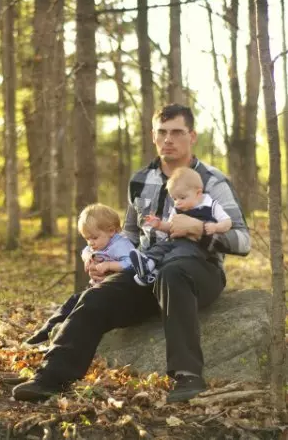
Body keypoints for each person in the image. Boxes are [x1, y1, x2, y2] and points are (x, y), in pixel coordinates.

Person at [13, 103, 250, 404]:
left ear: (192, 136)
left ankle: (188, 375)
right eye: (162, 132)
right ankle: (50, 379)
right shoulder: (141, 180)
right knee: (95, 297)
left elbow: (243, 240)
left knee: (172, 273)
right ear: (153, 136)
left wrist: (201, 228)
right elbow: (130, 235)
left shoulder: (213, 181)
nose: (169, 139)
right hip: (147, 270)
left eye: (177, 132)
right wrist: (108, 261)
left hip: (198, 271)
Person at [25, 203, 135, 346]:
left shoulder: (121, 245)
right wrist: (87, 257)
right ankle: (46, 331)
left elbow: (132, 263)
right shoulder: (99, 242)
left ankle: (62, 339)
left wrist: (109, 265)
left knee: (80, 307)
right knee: (71, 303)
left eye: (94, 238)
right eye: (87, 238)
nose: (91, 242)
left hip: (113, 293)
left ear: (112, 231)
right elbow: (85, 251)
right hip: (95, 288)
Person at [130, 166, 232, 285]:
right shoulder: (178, 209)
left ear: (198, 193)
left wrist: (215, 227)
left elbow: (227, 222)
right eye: (174, 198)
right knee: (160, 246)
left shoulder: (211, 205)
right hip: (174, 240)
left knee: (177, 254)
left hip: (196, 246)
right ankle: (147, 264)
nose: (178, 202)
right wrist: (158, 224)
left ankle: (154, 273)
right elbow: (170, 227)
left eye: (182, 197)